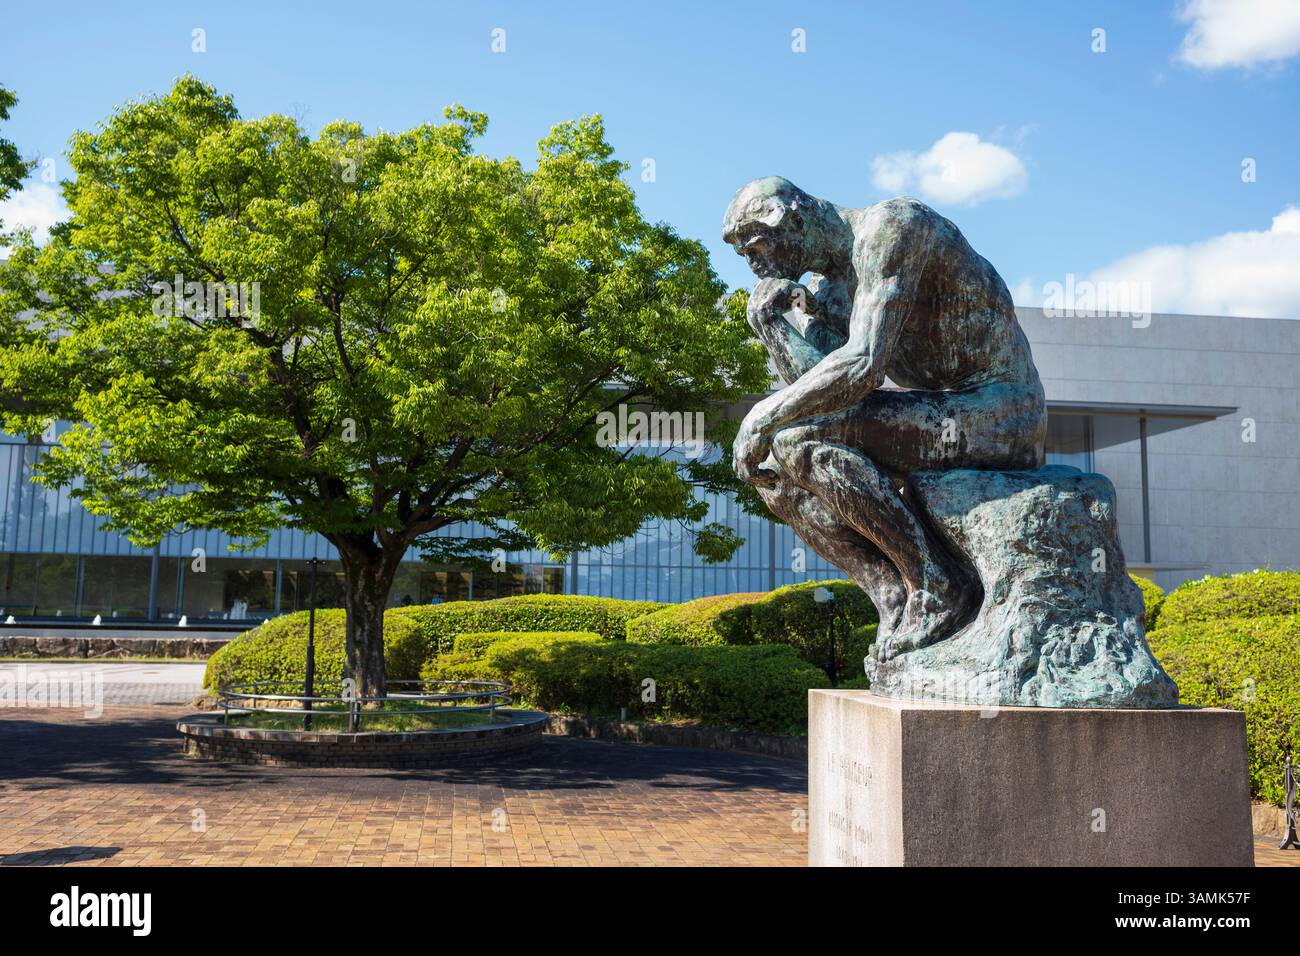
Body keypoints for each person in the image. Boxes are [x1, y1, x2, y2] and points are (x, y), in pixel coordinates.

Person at [723, 177, 1046, 655]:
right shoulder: (827, 295)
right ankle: (892, 593)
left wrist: (761, 417)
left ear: (794, 218)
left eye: (758, 245)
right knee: (777, 465)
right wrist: (771, 325)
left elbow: (862, 365)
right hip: (940, 412)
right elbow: (825, 392)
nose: (754, 263)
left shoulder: (892, 227)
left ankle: (938, 587)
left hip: (1002, 412)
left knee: (794, 440)